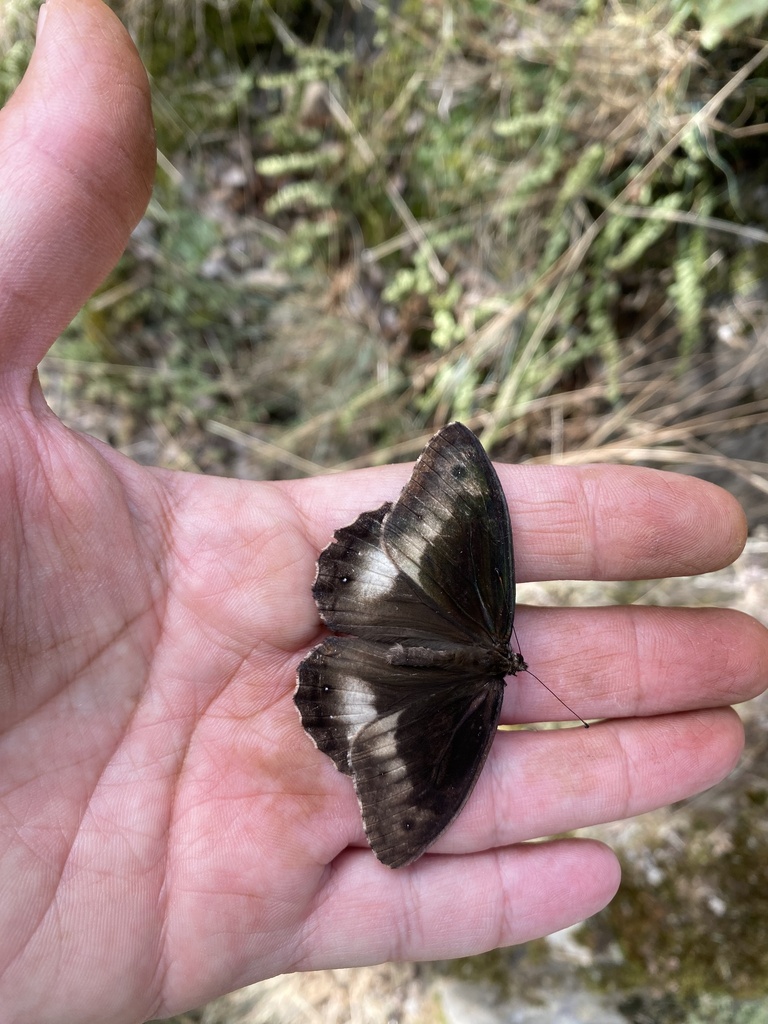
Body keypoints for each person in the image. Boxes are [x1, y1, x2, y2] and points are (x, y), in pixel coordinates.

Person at [1, 1, 766, 1022]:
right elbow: (462, 480)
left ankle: (359, 654)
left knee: (402, 683)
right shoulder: (477, 709)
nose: (514, 664)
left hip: (400, 612)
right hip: (390, 663)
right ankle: (355, 674)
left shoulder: (485, 626)